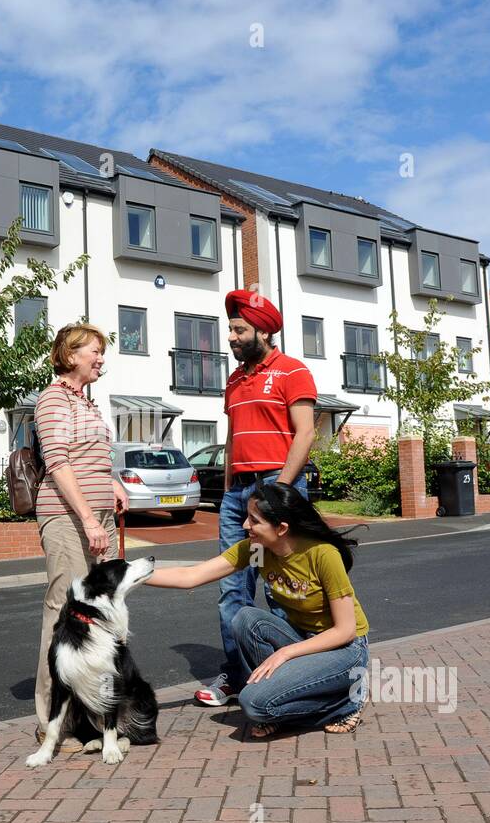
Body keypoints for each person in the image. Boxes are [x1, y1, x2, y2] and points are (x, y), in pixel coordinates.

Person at [148, 481, 369, 736]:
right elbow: (192, 576)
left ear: (282, 528)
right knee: (245, 618)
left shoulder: (321, 554)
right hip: (304, 641)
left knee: (253, 703)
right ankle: (286, 697)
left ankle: (346, 702)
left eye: (254, 520)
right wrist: (129, 574)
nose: (245, 526)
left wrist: (286, 653)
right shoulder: (259, 551)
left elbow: (346, 631)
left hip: (345, 650)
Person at [196, 289, 319, 707]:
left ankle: (288, 674)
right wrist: (231, 486)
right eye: (229, 328)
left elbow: (305, 433)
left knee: (281, 586)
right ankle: (238, 675)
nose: (230, 336)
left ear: (262, 330)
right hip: (239, 498)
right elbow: (232, 436)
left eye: (238, 329)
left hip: (276, 489)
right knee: (235, 585)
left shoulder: (291, 372)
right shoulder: (234, 380)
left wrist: (278, 491)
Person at [32, 323, 129, 741]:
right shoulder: (54, 399)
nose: (101, 358)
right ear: (71, 355)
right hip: (68, 519)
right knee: (65, 613)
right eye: (95, 350)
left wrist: (111, 482)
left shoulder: (85, 403)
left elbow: (89, 458)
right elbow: (57, 462)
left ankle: (93, 718)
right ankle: (51, 725)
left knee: (101, 615)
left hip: (97, 516)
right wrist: (89, 518)